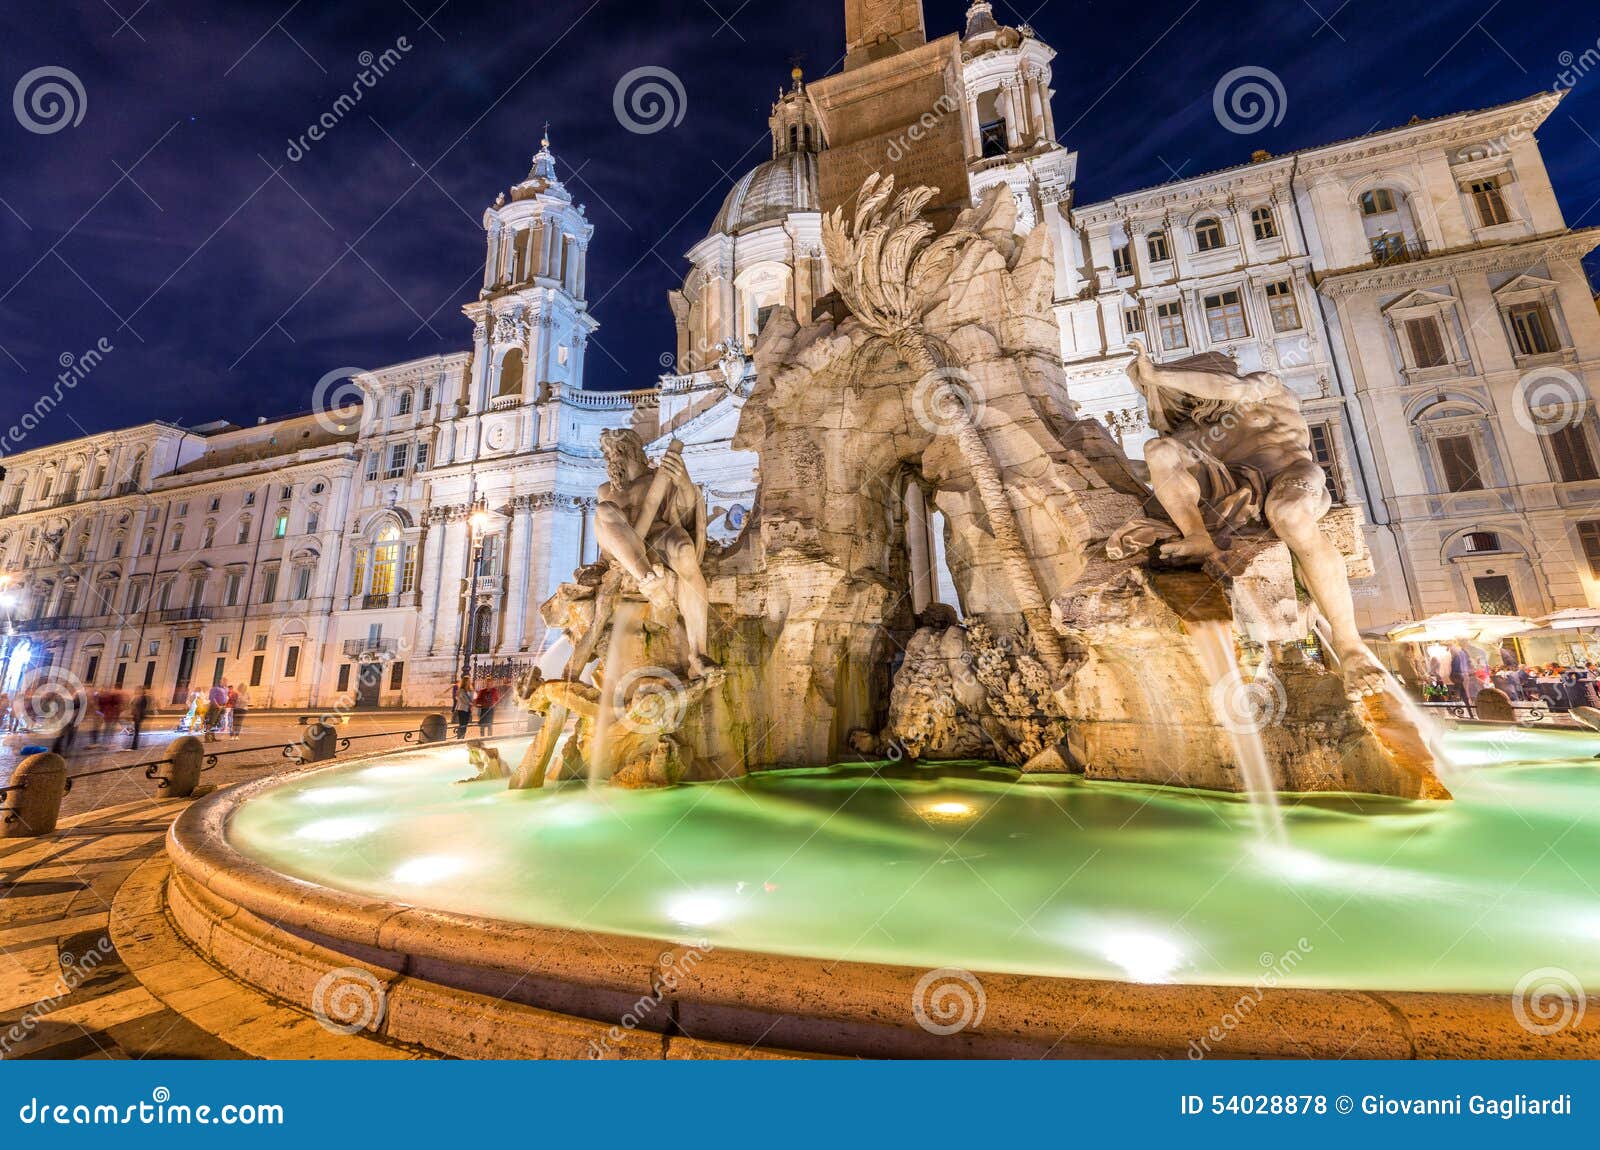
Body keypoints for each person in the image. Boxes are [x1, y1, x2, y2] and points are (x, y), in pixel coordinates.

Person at [1447, 640, 1472, 704]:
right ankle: (1466, 705)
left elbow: (1455, 664)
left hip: (1458, 673)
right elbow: (1468, 663)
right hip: (1464, 673)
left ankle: (1457, 704)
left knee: (1457, 690)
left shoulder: (1456, 652)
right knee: (1463, 691)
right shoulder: (1464, 652)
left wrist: (1451, 674)